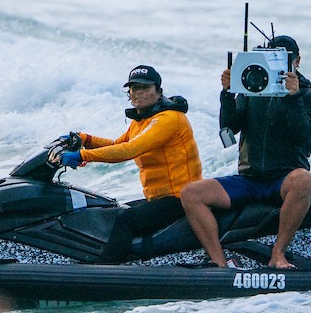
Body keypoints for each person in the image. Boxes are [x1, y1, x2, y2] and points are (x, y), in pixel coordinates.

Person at [181, 35, 311, 269]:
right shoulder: (252, 91)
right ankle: (218, 260)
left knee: (303, 179)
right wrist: (227, 93)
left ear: (296, 61)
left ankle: (278, 254)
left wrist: (293, 97)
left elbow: (302, 133)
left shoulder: (309, 98)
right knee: (191, 193)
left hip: (283, 178)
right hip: (250, 178)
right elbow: (230, 127)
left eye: (284, 60)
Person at [51, 64, 202, 262]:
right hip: (158, 199)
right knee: (114, 211)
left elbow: (129, 150)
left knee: (126, 219)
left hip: (179, 199)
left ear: (158, 91)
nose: (138, 93)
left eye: (145, 88)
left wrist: (82, 156)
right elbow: (117, 144)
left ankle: (106, 270)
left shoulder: (169, 119)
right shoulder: (141, 121)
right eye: (134, 88)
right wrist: (85, 138)